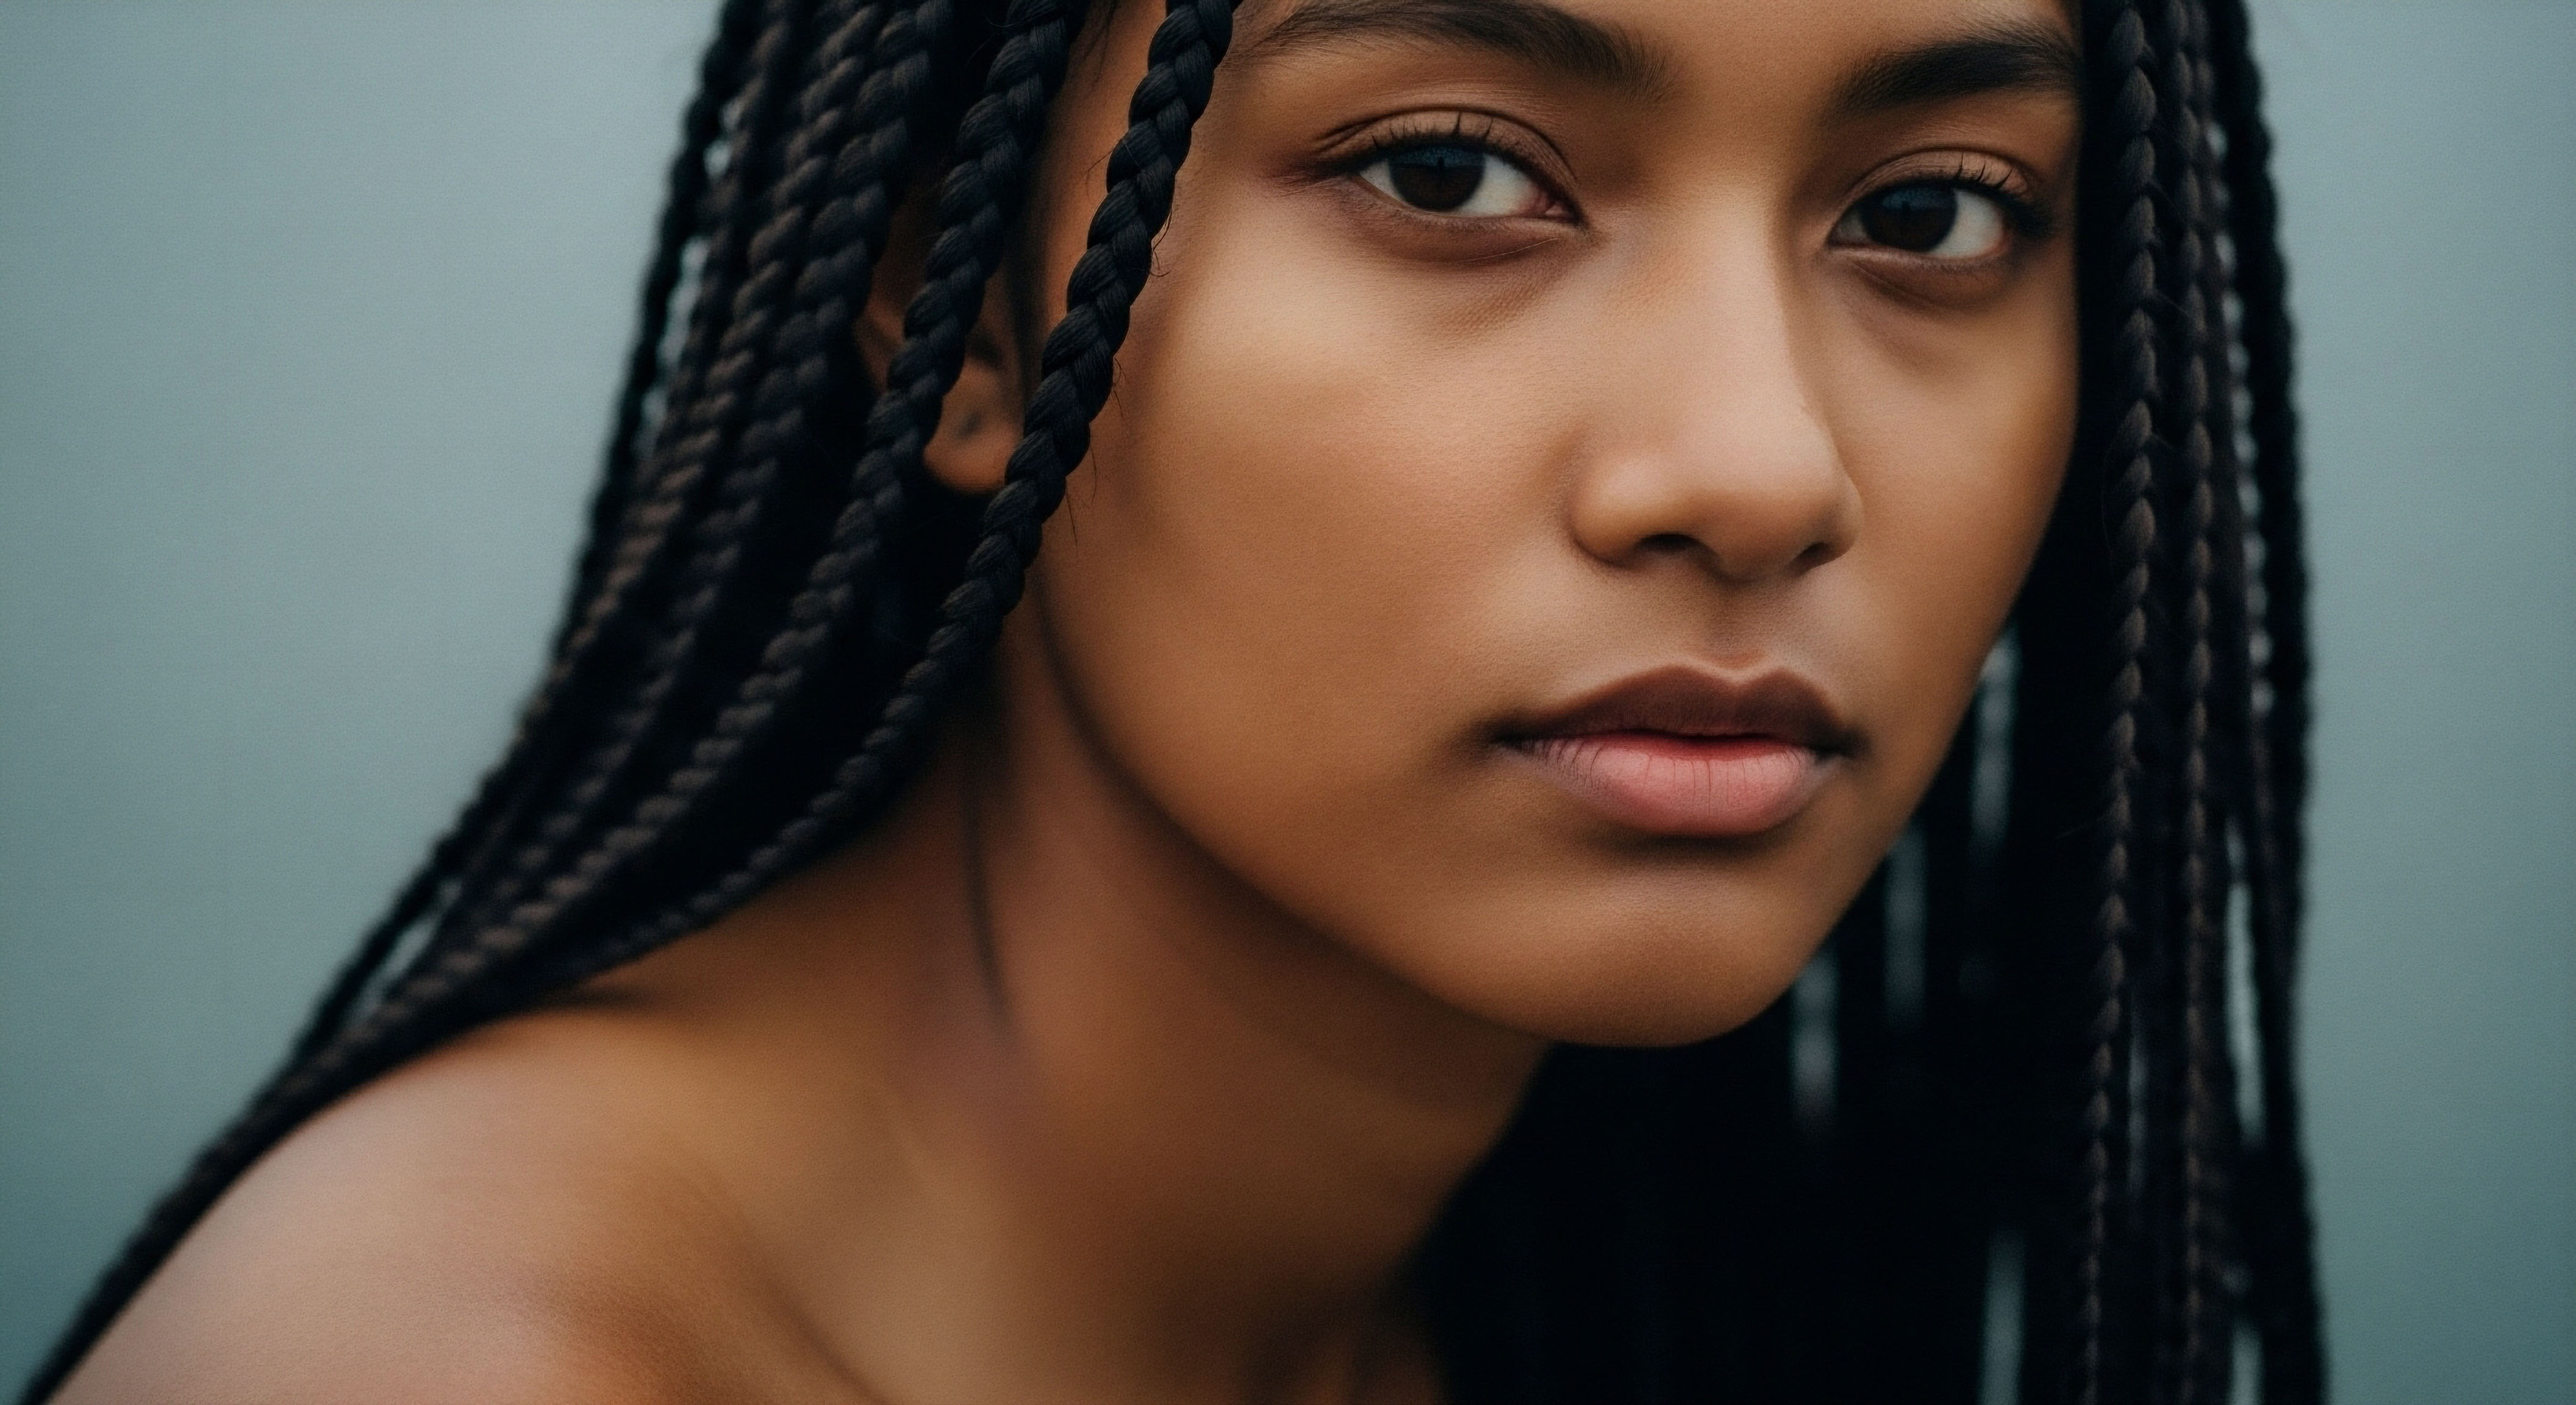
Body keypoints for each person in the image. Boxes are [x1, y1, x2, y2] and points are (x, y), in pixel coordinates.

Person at [26, 0, 2324, 1400]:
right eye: (1452, 173)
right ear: (973, 310)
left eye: (1929, 215)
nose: (1754, 464)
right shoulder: (460, 1382)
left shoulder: (1598, 1274)